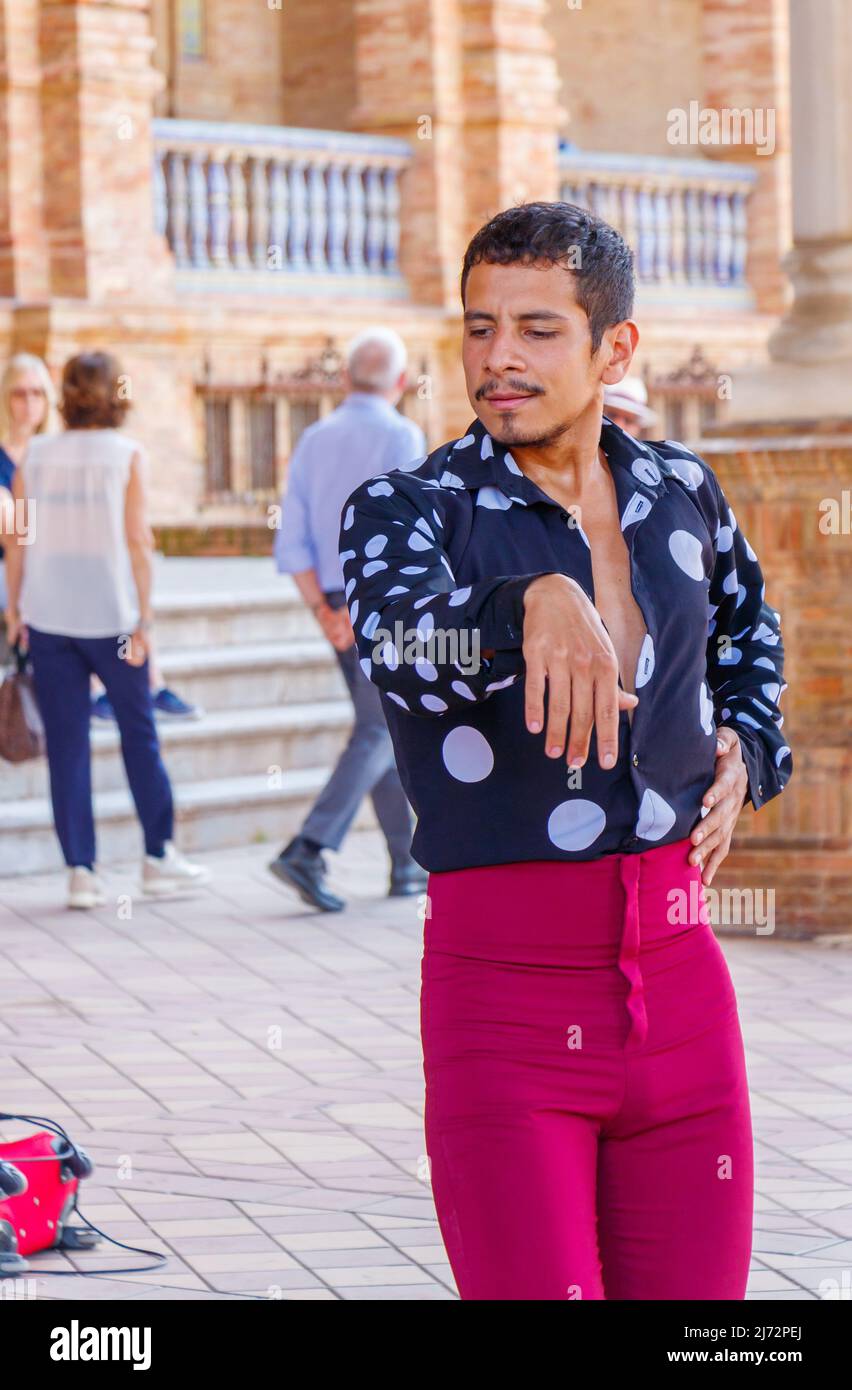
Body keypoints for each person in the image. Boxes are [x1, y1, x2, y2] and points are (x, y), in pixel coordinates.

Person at [340, 202, 792, 1300]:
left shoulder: (681, 489)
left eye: (538, 329)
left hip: (687, 997)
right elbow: (398, 642)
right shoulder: (409, 509)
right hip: (507, 1013)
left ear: (615, 347)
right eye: (479, 326)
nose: (498, 357)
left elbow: (750, 638)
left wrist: (747, 746)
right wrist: (524, 603)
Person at [3, 351, 210, 909]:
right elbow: (139, 543)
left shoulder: (36, 455)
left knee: (67, 745)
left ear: (66, 395)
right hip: (116, 619)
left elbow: (18, 538)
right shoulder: (126, 454)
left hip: (48, 617)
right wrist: (145, 617)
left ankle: (80, 873)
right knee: (138, 734)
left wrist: (15, 609)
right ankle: (157, 856)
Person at [271, 327, 429, 912]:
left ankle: (405, 863)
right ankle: (309, 848)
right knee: (379, 728)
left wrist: (326, 612)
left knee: (380, 724)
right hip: (385, 603)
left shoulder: (314, 438)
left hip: (336, 602)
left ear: (345, 379)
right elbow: (412, 536)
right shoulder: (403, 434)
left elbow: (292, 543)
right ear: (401, 382)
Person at [0, 354, 57, 661]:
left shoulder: (61, 452)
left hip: (53, 561)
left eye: (37, 393)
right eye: (20, 393)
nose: (29, 402)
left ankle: (153, 683)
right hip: (8, 566)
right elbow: (11, 526)